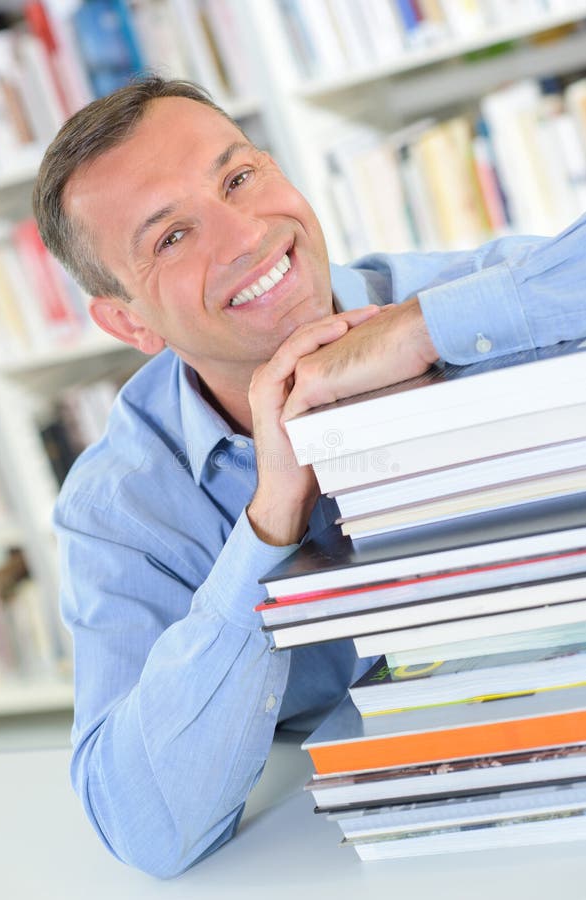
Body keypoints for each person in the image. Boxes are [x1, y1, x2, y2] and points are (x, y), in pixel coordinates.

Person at [33, 76, 586, 879]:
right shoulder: (121, 505)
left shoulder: (484, 297)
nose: (244, 236)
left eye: (238, 178)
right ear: (129, 322)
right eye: (171, 238)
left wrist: (427, 330)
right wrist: (267, 524)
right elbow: (146, 826)